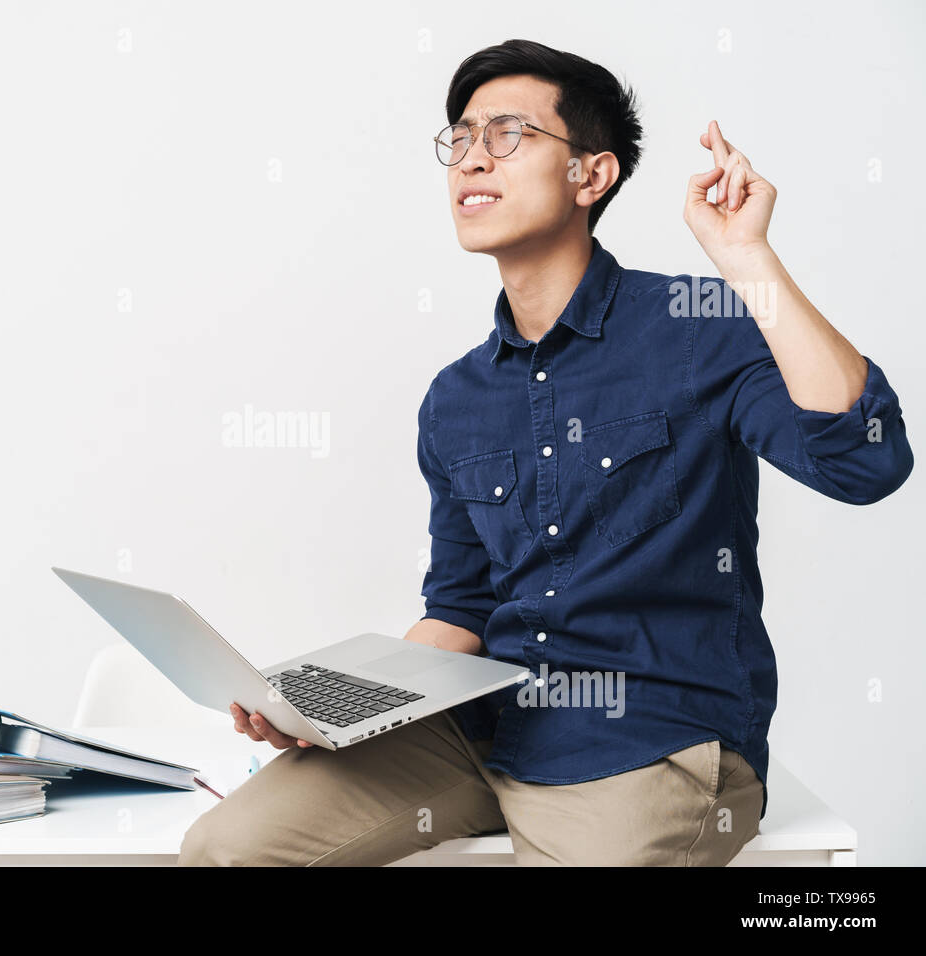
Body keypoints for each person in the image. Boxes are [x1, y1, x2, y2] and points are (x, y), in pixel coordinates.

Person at [177, 38, 913, 866]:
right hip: (482, 730)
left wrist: (748, 261)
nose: (470, 159)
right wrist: (341, 705)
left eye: (507, 134)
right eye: (459, 138)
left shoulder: (696, 322)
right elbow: (457, 610)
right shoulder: (455, 399)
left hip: (648, 739)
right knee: (224, 848)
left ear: (590, 176)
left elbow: (867, 463)